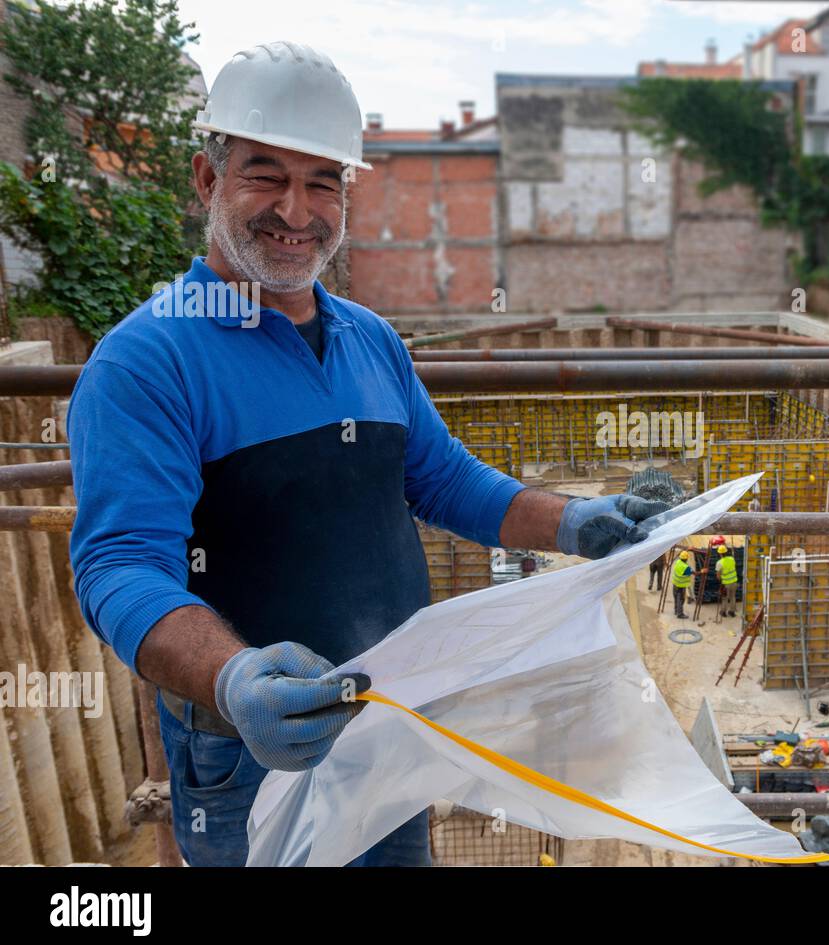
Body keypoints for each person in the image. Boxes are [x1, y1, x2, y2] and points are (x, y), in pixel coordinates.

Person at [66, 42, 667, 867]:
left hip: (387, 727)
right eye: (264, 174)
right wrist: (237, 680)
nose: (296, 210)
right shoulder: (149, 360)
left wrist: (576, 523)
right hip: (251, 756)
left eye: (322, 181)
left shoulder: (369, 339)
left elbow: (442, 479)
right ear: (209, 181)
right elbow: (119, 567)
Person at [670, 551, 694, 619]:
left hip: (675, 583)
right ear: (686, 559)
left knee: (675, 598)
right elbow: (694, 573)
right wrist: (702, 571)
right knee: (681, 599)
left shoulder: (678, 562)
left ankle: (676, 610)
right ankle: (680, 614)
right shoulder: (686, 567)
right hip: (681, 586)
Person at [716, 544, 739, 617]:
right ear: (726, 552)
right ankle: (732, 612)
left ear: (719, 553)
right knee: (733, 597)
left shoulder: (719, 563)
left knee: (725, 598)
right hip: (734, 582)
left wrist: (720, 580)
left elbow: (718, 575)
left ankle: (723, 612)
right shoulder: (732, 559)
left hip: (726, 584)